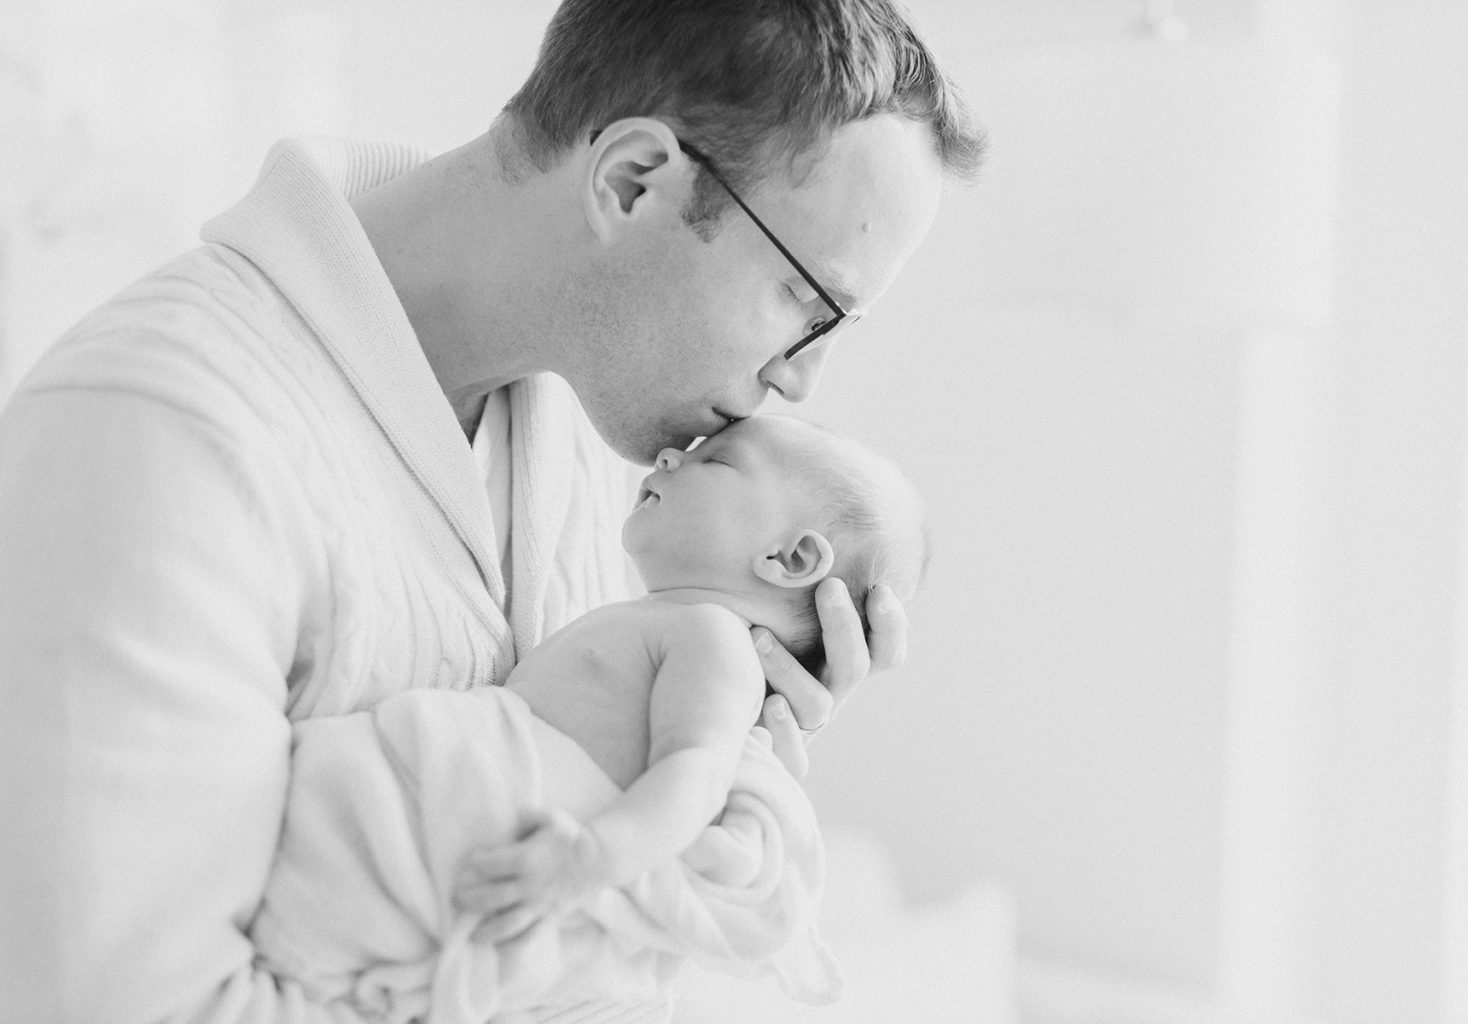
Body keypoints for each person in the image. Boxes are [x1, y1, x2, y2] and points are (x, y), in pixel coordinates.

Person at [0, 1, 985, 1021]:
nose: (801, 382)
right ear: (632, 181)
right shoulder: (155, 434)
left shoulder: (598, 437)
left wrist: (724, 757)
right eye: (808, 303)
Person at [248, 414, 925, 1021]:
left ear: (790, 557)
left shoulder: (713, 641)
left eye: (715, 461)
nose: (668, 459)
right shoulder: (660, 622)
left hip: (523, 840)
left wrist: (593, 857)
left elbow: (696, 772)